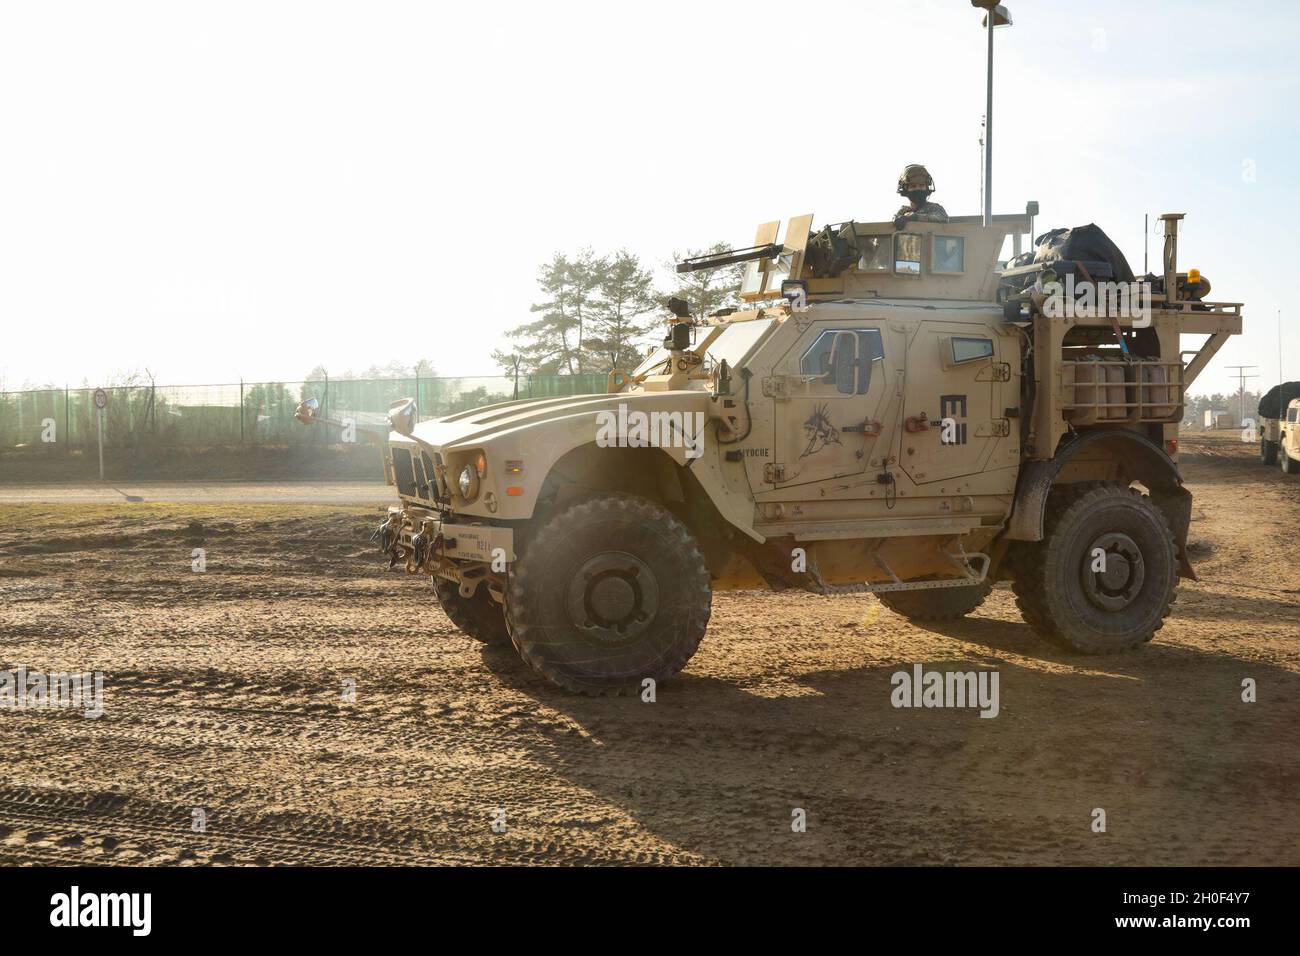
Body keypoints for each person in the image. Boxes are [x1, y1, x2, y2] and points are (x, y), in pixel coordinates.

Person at [893, 164, 949, 229]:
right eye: (913, 186)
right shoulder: (903, 211)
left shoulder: (935, 208)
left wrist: (913, 217)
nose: (918, 189)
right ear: (905, 189)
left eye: (921, 185)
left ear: (927, 188)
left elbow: (942, 218)